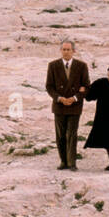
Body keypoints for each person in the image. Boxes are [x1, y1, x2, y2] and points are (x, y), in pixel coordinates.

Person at [45, 39, 89, 171]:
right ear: (60, 51)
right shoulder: (53, 65)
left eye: (68, 49)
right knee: (60, 135)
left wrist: (75, 98)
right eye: (63, 49)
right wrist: (59, 98)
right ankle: (63, 161)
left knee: (72, 134)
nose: (66, 52)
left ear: (73, 51)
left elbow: (86, 86)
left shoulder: (82, 66)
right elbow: (49, 86)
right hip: (59, 105)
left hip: (75, 106)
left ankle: (72, 163)